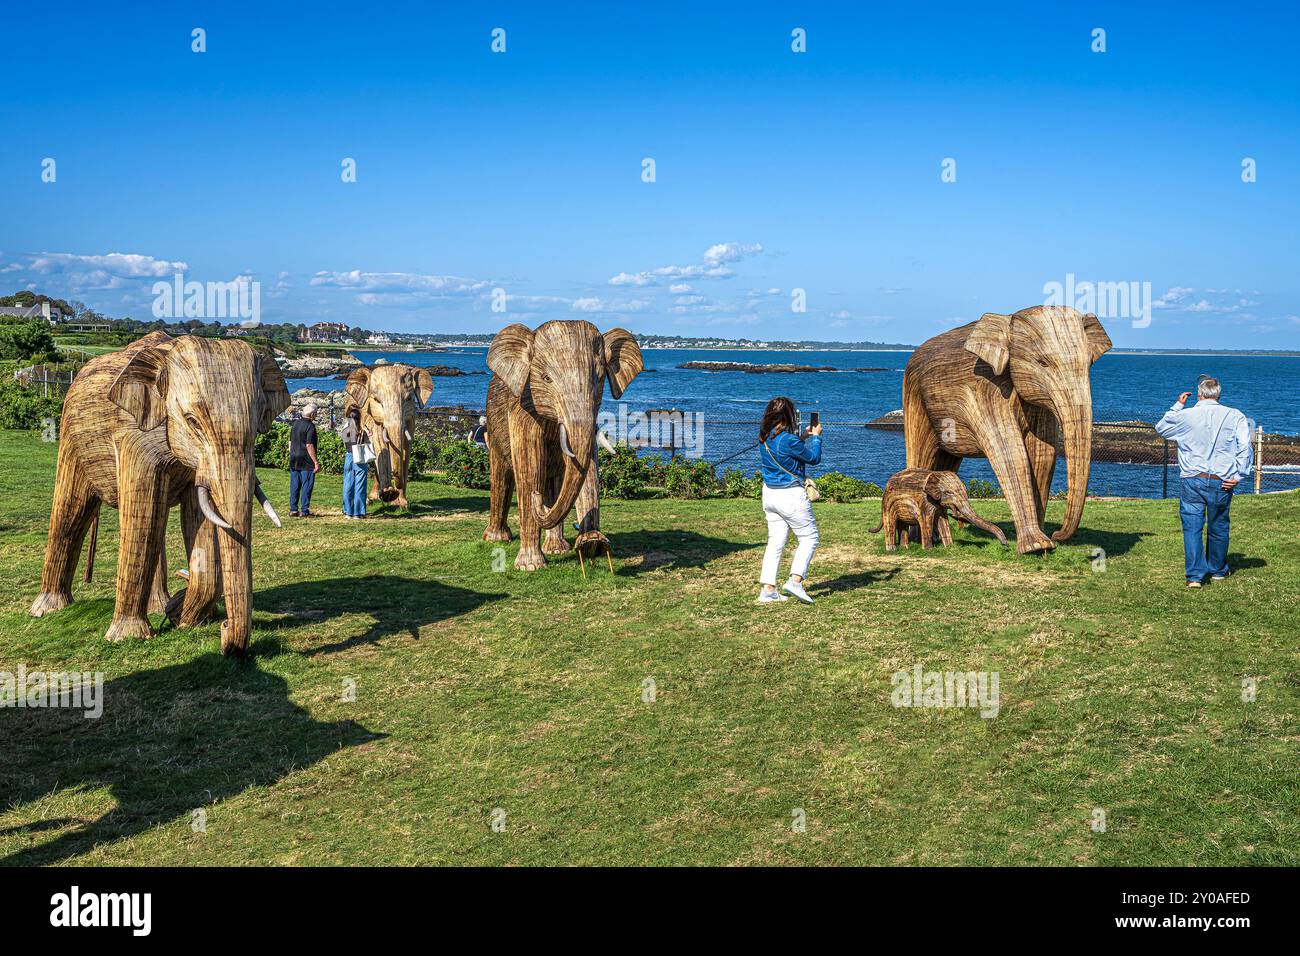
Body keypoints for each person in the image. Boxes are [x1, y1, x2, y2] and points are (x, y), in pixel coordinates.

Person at [1154, 376, 1253, 588]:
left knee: (1192, 527)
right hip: (1222, 479)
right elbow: (1245, 446)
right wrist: (1239, 475)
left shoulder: (1187, 415)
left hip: (1192, 478)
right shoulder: (1235, 415)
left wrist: (1178, 405)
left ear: (1199, 394)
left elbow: (1162, 428)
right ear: (1218, 393)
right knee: (1218, 525)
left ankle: (1195, 576)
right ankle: (1217, 570)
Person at [756, 396, 823, 604]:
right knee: (809, 537)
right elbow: (813, 458)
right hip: (790, 495)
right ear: (789, 415)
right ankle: (795, 581)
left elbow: (784, 449)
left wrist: (802, 437)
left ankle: (768, 590)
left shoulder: (764, 437)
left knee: (775, 541)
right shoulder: (788, 440)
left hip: (769, 494)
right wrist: (817, 438)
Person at [289, 404, 320, 517]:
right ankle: (304, 510)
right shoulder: (310, 426)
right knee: (307, 484)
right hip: (306, 459)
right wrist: (315, 462)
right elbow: (309, 445)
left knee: (294, 484)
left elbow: (290, 442)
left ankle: (293, 509)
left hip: (294, 456)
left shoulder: (295, 423)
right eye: (316, 413)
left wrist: (291, 453)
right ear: (312, 415)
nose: (316, 415)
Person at [339, 406, 369, 519]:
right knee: (360, 485)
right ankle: (358, 512)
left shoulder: (345, 431)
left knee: (347, 484)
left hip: (348, 456)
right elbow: (366, 443)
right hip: (359, 458)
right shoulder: (361, 431)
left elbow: (345, 443)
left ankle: (347, 511)